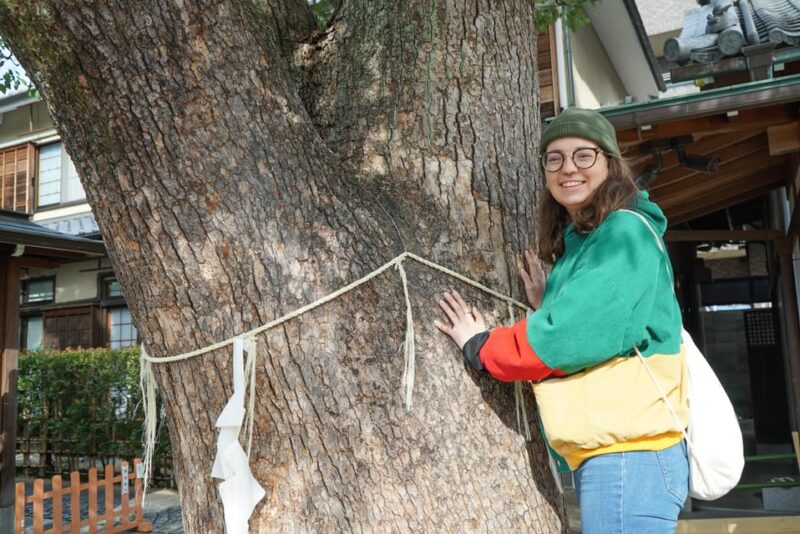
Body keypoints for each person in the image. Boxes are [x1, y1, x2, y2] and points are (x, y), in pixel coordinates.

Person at [435, 108, 690, 534]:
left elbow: (572, 337)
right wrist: (549, 299)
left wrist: (482, 343)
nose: (568, 167)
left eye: (584, 155)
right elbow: (599, 317)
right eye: (554, 158)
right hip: (620, 453)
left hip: (630, 455)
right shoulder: (588, 242)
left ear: (610, 163)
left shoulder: (623, 232)